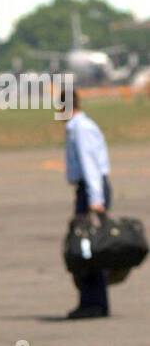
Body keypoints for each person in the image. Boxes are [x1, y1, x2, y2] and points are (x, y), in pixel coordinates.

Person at [64, 90, 111, 320]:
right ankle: (94, 301)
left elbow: (90, 165)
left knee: (87, 248)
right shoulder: (77, 127)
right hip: (90, 190)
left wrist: (95, 201)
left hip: (91, 190)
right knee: (90, 248)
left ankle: (93, 302)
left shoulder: (80, 129)